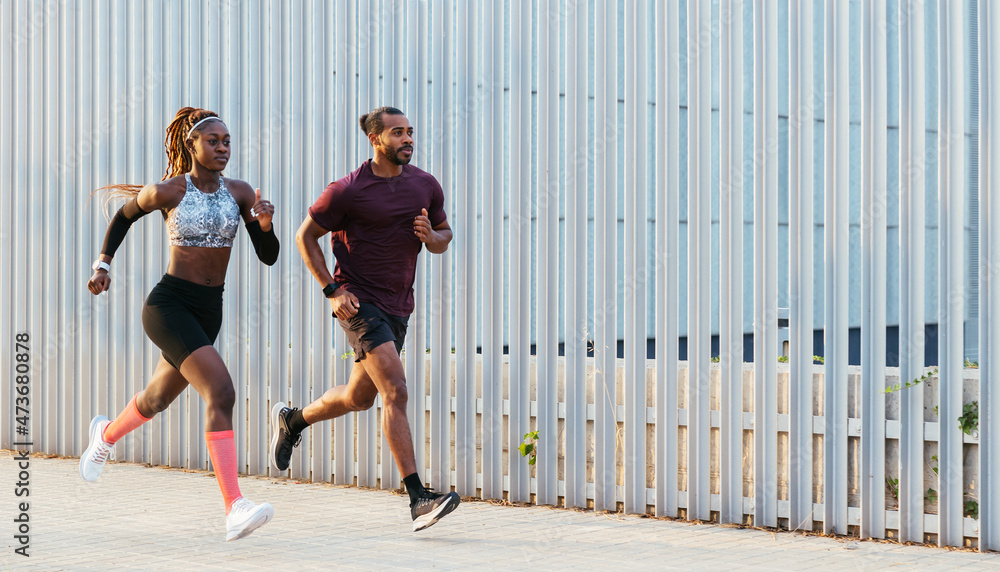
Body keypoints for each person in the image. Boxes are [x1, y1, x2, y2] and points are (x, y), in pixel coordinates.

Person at [81, 106, 280, 542]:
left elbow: (268, 255)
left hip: (210, 308)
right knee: (221, 390)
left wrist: (264, 225)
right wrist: (102, 265)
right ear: (192, 145)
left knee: (155, 400)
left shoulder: (241, 193)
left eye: (227, 141)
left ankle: (105, 436)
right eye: (214, 141)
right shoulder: (168, 191)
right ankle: (234, 508)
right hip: (168, 306)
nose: (223, 147)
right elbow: (123, 216)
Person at [270, 106, 458, 532]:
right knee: (396, 390)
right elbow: (305, 237)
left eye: (410, 132)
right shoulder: (347, 191)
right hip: (359, 303)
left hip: (398, 305)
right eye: (397, 133)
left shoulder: (425, 185)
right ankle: (418, 499)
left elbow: (446, 237)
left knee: (360, 397)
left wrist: (433, 237)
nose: (407, 139)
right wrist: (333, 291)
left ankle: (293, 421)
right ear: (376, 140)